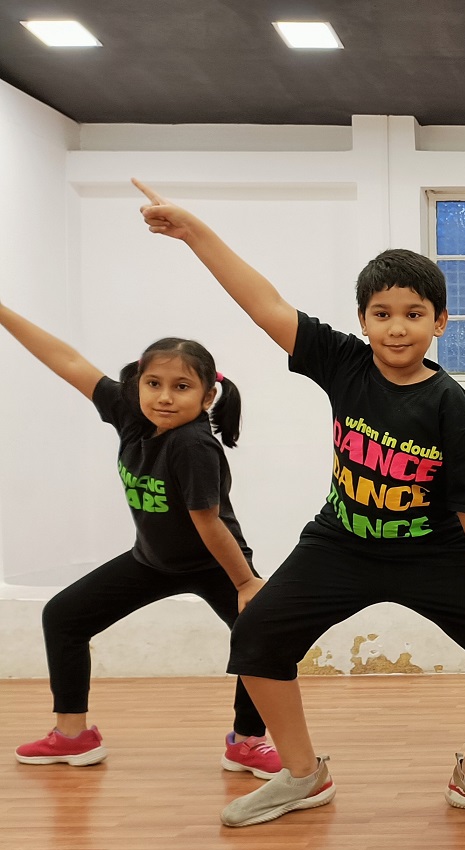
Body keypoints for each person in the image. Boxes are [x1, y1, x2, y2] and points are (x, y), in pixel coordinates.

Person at [133, 179, 465, 827]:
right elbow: (264, 303)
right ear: (363, 320)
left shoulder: (450, 403)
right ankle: (303, 774)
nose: (397, 327)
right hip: (341, 541)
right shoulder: (342, 362)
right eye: (382, 313)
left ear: (440, 321)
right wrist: (193, 233)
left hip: (430, 547)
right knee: (257, 634)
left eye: (414, 313)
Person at [1, 300, 279, 779]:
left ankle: (247, 741)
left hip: (215, 562)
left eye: (181, 387)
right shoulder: (130, 415)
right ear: (137, 386)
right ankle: (73, 735)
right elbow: (68, 360)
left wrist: (246, 584)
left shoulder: (193, 444)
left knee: (261, 632)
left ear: (208, 396)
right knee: (64, 617)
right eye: (154, 384)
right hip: (152, 561)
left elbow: (209, 523)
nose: (165, 397)